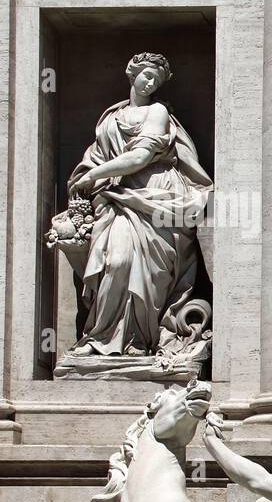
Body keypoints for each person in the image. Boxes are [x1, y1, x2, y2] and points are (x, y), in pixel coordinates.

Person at [67, 52, 211, 357]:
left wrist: (94, 175)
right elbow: (99, 154)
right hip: (117, 197)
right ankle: (100, 337)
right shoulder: (111, 116)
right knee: (116, 261)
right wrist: (91, 176)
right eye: (146, 75)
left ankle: (137, 341)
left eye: (156, 80)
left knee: (145, 270)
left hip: (154, 196)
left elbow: (140, 157)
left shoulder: (157, 112)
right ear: (132, 74)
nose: (150, 82)